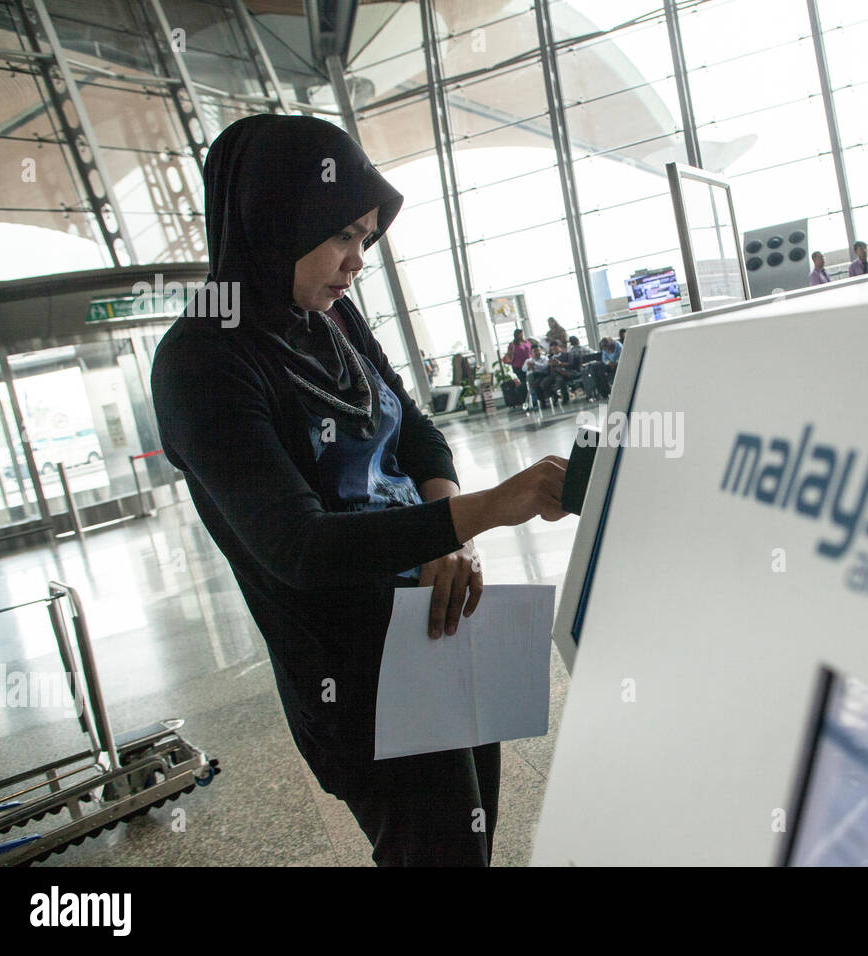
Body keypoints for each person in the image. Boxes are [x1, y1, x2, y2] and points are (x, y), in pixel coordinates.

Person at [149, 114, 568, 867]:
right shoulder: (201, 362)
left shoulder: (334, 317)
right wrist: (485, 509)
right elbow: (297, 546)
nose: (356, 263)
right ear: (274, 217)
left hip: (441, 619)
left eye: (366, 240)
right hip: (357, 675)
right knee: (433, 850)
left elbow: (416, 434)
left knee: (473, 840)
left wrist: (454, 540)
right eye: (342, 235)